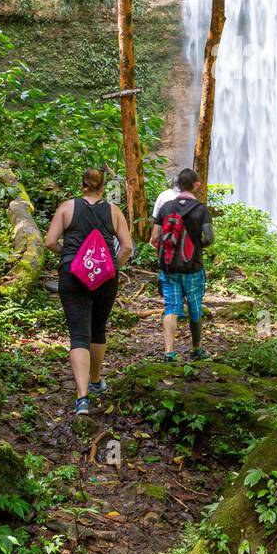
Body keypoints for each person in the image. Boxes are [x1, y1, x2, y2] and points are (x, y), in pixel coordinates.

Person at [46, 168, 132, 416]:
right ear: (103, 187)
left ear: (82, 185)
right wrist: (111, 266)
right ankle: (96, 381)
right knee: (98, 329)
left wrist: (72, 258)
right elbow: (126, 246)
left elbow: (50, 241)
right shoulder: (114, 211)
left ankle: (82, 398)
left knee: (78, 334)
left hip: (73, 277)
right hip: (105, 278)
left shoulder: (66, 207)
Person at [150, 167, 213, 362]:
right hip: (193, 267)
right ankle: (196, 349)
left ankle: (169, 352)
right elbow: (209, 238)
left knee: (171, 307)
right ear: (196, 185)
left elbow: (154, 238)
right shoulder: (201, 209)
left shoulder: (166, 208)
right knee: (195, 307)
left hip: (169, 266)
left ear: (177, 185)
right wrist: (195, 246)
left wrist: (167, 250)